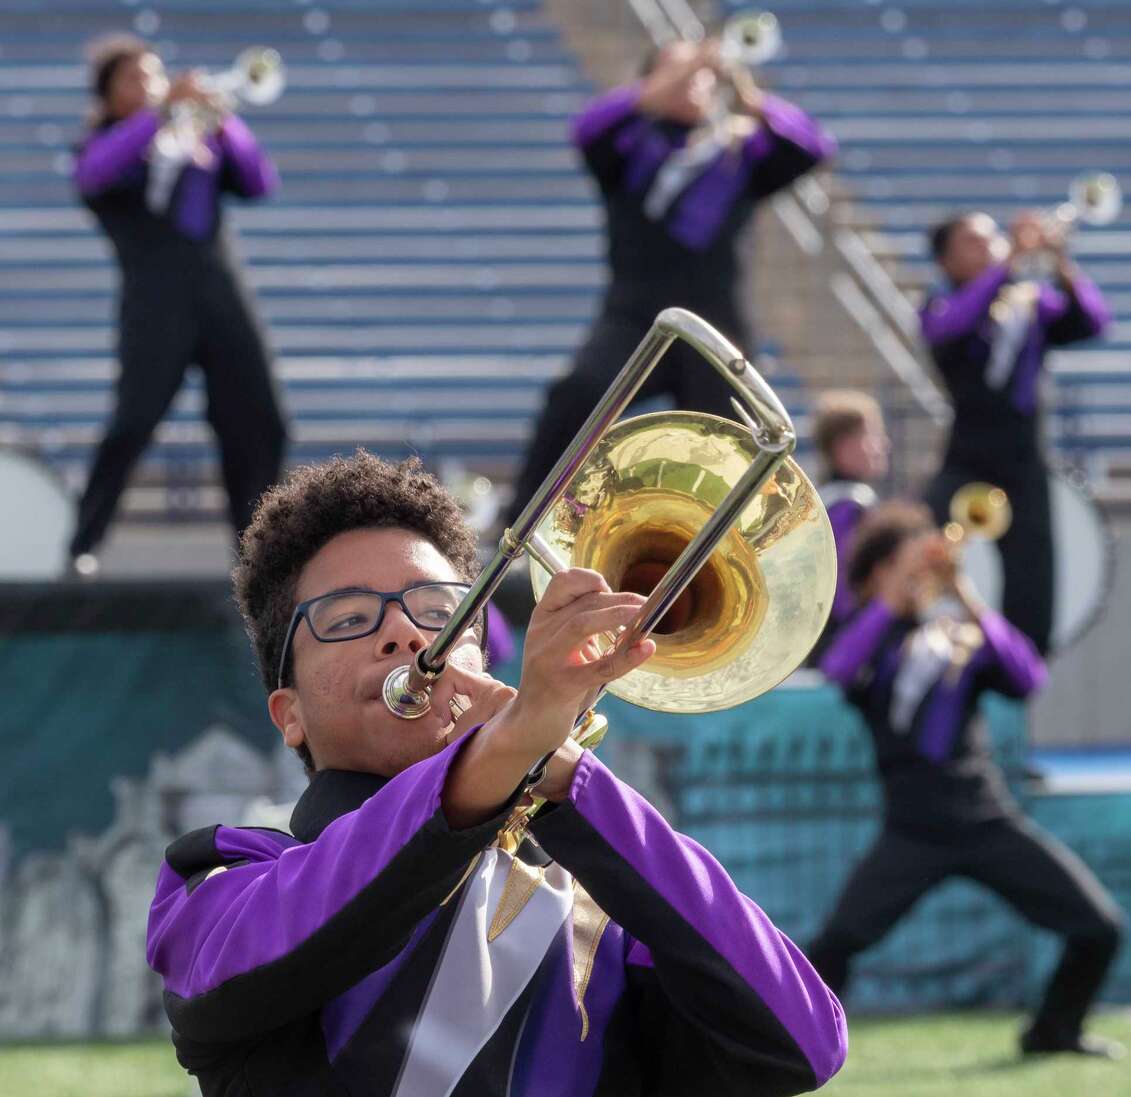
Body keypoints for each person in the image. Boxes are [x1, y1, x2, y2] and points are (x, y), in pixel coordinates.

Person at [146, 451, 847, 1096]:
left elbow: (802, 1042)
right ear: (288, 712)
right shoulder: (222, 878)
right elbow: (288, 928)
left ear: (481, 653)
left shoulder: (606, 908)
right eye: (350, 617)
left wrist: (568, 776)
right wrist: (499, 757)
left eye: (438, 610)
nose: (408, 635)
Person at [807, 501, 1125, 1059]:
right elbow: (836, 671)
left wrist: (968, 595)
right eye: (911, 563)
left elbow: (1028, 678)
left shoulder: (959, 633)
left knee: (1100, 929)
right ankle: (801, 1043)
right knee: (836, 945)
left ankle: (1053, 1031)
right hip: (911, 831)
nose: (925, 573)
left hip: (986, 820)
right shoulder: (871, 637)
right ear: (880, 570)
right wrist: (892, 598)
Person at [505, 37, 837, 524]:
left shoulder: (736, 151)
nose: (694, 83)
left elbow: (811, 148)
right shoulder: (629, 145)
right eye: (680, 73)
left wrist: (749, 94)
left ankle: (742, 538)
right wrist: (673, 77)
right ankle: (521, 522)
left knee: (736, 435)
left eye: (703, 77)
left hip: (716, 322)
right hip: (635, 314)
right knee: (577, 395)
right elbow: (587, 129)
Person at [68, 35, 287, 576]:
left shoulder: (196, 138)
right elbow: (93, 173)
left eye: (156, 75)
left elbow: (261, 182)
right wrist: (162, 111)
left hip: (222, 295)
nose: (150, 86)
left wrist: (223, 121)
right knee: (134, 422)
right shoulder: (106, 146)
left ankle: (258, 560)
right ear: (108, 95)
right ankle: (81, 547)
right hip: (155, 303)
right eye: (134, 79)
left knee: (260, 421)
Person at [920, 210, 1110, 654]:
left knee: (1033, 566)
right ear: (944, 261)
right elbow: (949, 327)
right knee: (926, 538)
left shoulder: (1027, 303)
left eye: (992, 240)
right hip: (966, 450)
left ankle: (1020, 658)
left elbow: (1094, 322)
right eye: (973, 243)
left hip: (1023, 454)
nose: (989, 249)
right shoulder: (939, 302)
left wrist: (1060, 261)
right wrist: (1009, 265)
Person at [811, 390, 891, 636]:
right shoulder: (847, 506)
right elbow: (844, 596)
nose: (884, 445)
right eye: (872, 435)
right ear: (843, 447)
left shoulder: (831, 498)